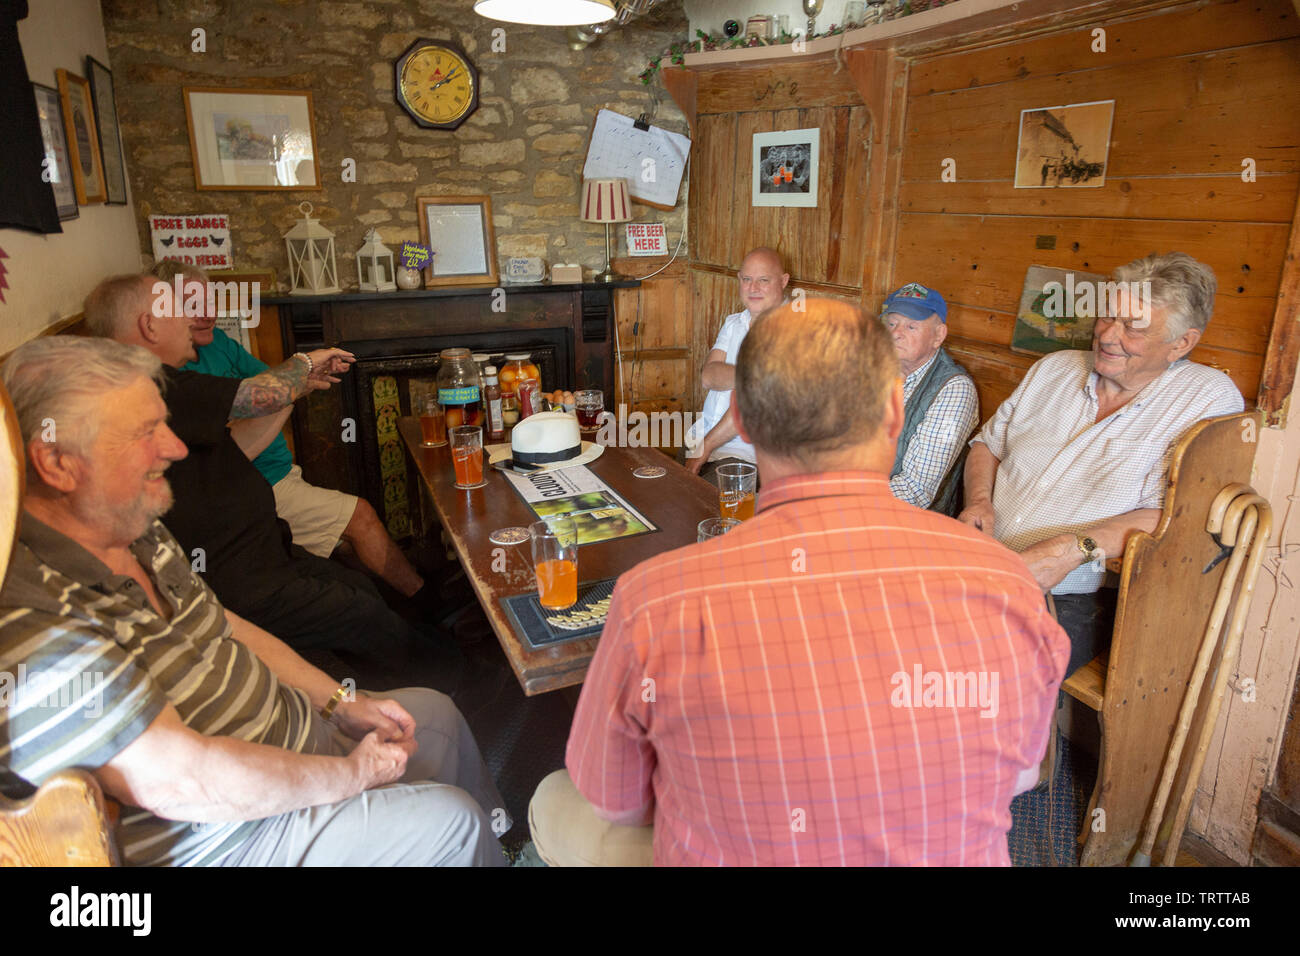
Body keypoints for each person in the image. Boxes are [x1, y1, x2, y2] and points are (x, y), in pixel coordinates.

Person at [531, 297, 1070, 866]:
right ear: (894, 410)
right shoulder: (1012, 584)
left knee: (553, 797)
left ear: (740, 417)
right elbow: (1019, 775)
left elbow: (620, 801)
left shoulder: (653, 600)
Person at [0, 336, 507, 866]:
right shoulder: (36, 625)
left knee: (437, 719)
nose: (174, 449)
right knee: (450, 822)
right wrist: (351, 776)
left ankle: (494, 849)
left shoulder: (134, 532)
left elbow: (225, 625)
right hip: (229, 832)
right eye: (146, 433)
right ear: (57, 463)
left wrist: (341, 701)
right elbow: (179, 780)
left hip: (285, 743)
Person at [82, 273, 455, 684]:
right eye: (177, 310)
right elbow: (252, 395)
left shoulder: (154, 385)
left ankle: (413, 675)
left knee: (358, 589)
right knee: (359, 610)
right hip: (233, 579)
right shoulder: (146, 385)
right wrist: (306, 364)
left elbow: (237, 446)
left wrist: (297, 388)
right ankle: (467, 680)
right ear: (149, 325)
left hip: (261, 553)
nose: (190, 320)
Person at [958, 252, 1245, 677]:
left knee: (975, 674)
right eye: (1108, 316)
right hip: (983, 560)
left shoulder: (1206, 400)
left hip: (1077, 595)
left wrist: (1071, 549)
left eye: (1133, 327)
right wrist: (979, 501)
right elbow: (987, 444)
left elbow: (1172, 516)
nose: (1108, 336)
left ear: (1182, 343)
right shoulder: (1054, 369)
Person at [153, 261, 428, 602]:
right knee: (360, 516)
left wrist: (298, 381)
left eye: (209, 301)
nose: (207, 313)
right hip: (257, 484)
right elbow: (268, 394)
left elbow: (276, 384)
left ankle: (393, 600)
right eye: (192, 305)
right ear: (163, 314)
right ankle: (424, 601)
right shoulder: (171, 378)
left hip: (280, 471)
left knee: (347, 545)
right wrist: (298, 372)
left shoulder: (217, 343)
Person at [685, 247, 789, 484]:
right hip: (703, 439)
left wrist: (705, 448)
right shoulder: (735, 322)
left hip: (749, 458)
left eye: (764, 280)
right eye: (747, 279)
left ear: (783, 281)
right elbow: (708, 376)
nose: (753, 288)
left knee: (694, 509)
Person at [880, 281, 979, 514]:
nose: (895, 334)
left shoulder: (954, 390)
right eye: (891, 323)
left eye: (911, 327)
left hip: (901, 520)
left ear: (938, 335)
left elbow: (915, 491)